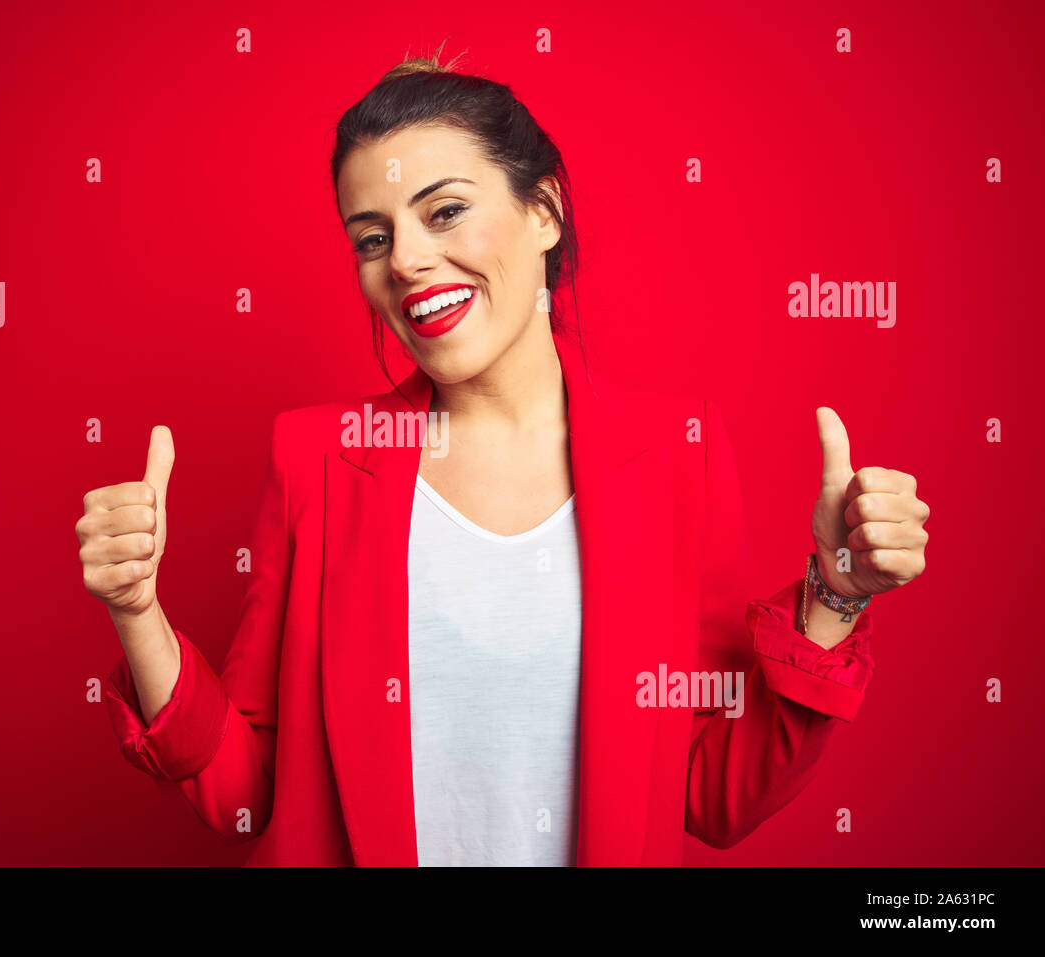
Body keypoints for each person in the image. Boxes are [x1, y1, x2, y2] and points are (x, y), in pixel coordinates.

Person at [75, 46, 930, 866]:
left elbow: (711, 789)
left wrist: (835, 597)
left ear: (544, 212)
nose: (406, 260)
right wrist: (137, 610)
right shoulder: (317, 460)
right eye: (371, 237)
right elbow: (247, 794)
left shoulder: (677, 455)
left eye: (444, 211)